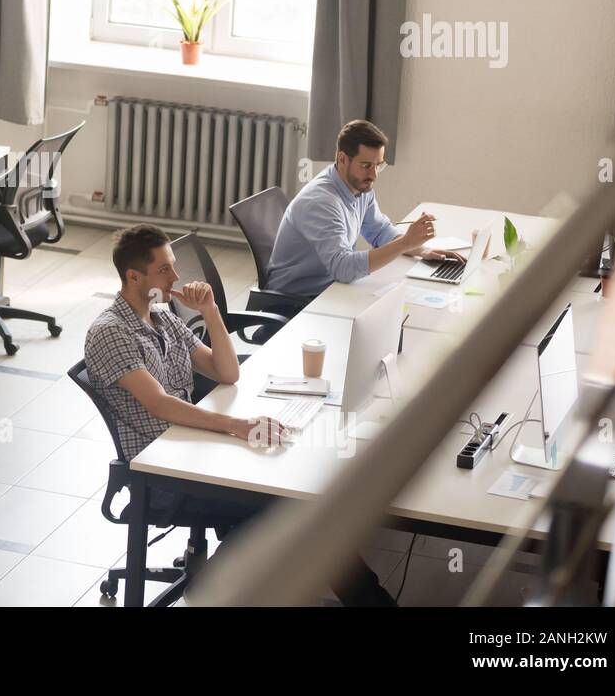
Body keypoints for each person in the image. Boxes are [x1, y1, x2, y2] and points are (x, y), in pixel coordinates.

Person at [85, 223, 395, 606]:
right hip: (163, 472)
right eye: (165, 268)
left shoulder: (161, 318)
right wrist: (237, 426)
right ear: (134, 276)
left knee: (291, 487)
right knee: (289, 502)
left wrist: (211, 312)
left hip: (191, 446)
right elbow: (160, 404)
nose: (176, 276)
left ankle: (224, 576)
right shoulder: (112, 332)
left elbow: (227, 372)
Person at [265, 119, 465, 298]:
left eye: (379, 165)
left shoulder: (361, 187)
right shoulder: (321, 203)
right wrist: (405, 243)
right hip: (296, 300)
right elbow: (343, 269)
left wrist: (421, 249)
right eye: (366, 165)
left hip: (331, 289)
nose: (374, 174)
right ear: (342, 159)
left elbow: (379, 231)